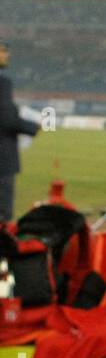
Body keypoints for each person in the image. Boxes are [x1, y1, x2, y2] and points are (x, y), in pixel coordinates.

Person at [0, 41, 40, 223]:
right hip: (2, 159)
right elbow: (6, 120)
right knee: (2, 214)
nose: (7, 54)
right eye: (3, 50)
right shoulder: (3, 84)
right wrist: (33, 127)